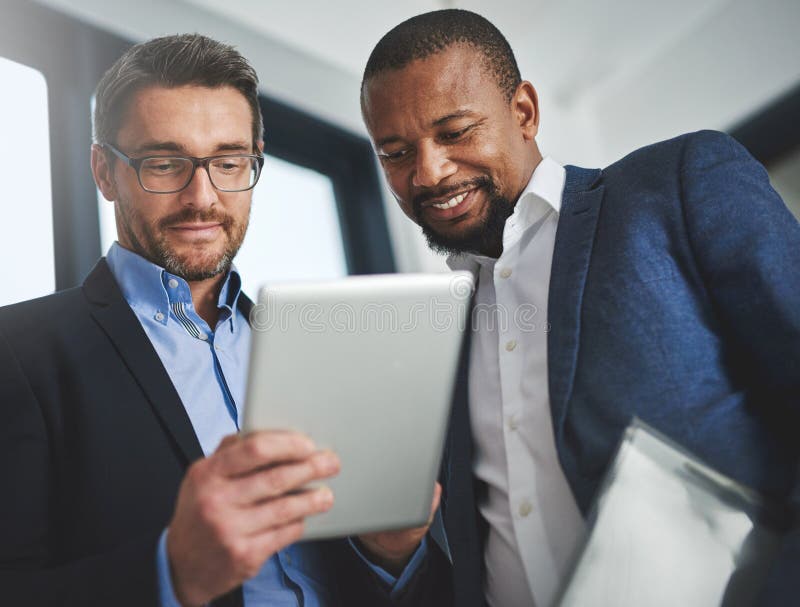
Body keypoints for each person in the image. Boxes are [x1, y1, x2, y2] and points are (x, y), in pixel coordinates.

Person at [359, 9, 800, 607]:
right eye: (395, 152)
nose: (429, 171)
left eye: (456, 131)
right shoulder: (433, 339)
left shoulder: (677, 184)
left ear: (524, 112)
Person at [0, 33, 446, 607]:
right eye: (164, 163)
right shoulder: (17, 350)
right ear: (104, 172)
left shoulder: (312, 354)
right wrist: (171, 572)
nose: (202, 197)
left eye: (228, 161)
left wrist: (391, 555)